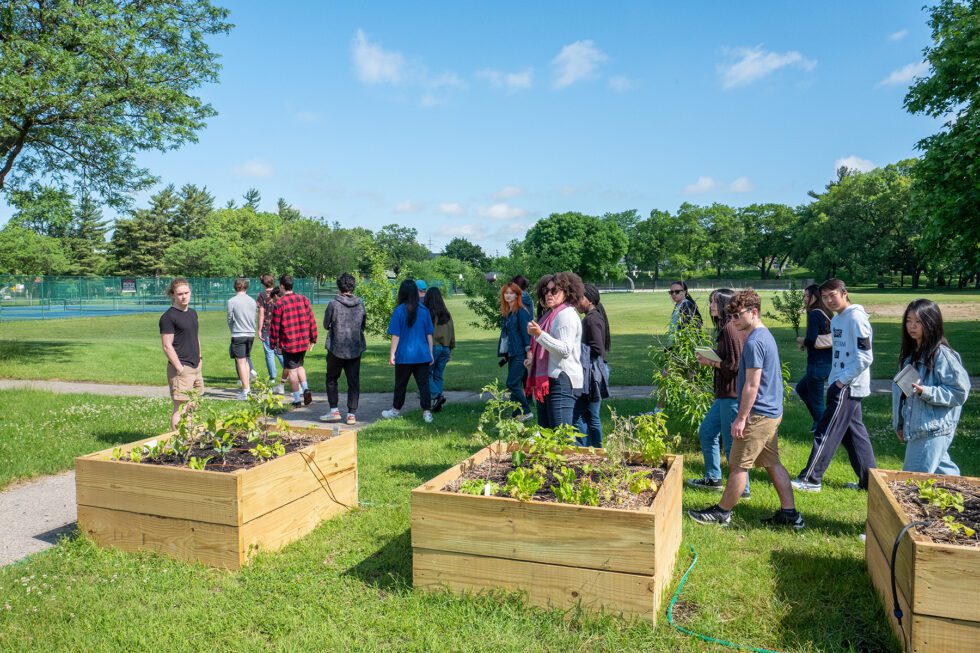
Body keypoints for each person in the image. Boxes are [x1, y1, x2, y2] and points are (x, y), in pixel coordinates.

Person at [688, 289, 804, 529]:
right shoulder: (763, 336)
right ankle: (790, 515)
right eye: (731, 316)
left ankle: (722, 512)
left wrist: (741, 418)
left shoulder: (754, 343)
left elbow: (752, 385)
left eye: (737, 315)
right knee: (772, 463)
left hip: (758, 414)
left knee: (738, 465)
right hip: (771, 412)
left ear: (754, 312)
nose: (733, 320)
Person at [793, 278, 877, 492]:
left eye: (833, 295)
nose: (829, 300)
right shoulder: (838, 319)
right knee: (854, 436)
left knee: (826, 430)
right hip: (839, 382)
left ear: (844, 293)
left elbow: (865, 357)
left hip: (847, 385)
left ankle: (811, 479)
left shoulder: (856, 317)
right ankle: (870, 483)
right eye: (825, 297)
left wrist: (841, 381)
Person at [892, 299, 970, 475]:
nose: (911, 326)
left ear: (931, 322)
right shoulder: (911, 355)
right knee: (946, 476)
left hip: (931, 431)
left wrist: (926, 392)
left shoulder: (942, 355)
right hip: (920, 429)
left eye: (918, 321)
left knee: (911, 481)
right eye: (908, 320)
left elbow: (959, 392)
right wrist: (901, 423)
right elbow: (903, 395)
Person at [688, 289, 750, 497]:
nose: (711, 306)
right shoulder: (727, 328)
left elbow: (734, 365)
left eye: (714, 302)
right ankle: (713, 478)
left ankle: (743, 490)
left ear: (725, 304)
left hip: (732, 395)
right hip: (724, 395)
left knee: (732, 443)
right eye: (710, 302)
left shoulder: (730, 329)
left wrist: (710, 361)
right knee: (707, 431)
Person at [526, 272, 585, 428]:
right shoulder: (550, 315)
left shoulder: (565, 315)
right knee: (547, 434)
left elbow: (564, 350)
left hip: (562, 380)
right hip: (549, 380)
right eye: (546, 291)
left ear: (567, 292)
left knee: (560, 436)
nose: (549, 295)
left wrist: (540, 335)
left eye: (554, 291)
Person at [382, 279, 435, 423]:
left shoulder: (399, 311)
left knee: (400, 384)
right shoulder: (424, 311)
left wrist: (392, 354)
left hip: (404, 356)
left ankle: (395, 410)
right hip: (422, 355)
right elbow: (429, 334)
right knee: (424, 385)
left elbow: (396, 335)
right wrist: (430, 353)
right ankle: (427, 413)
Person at [319, 273, 366, 426]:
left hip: (336, 348)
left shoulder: (333, 304)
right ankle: (351, 414)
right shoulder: (360, 304)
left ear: (339, 287)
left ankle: (334, 410)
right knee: (354, 381)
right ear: (353, 287)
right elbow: (363, 325)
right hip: (355, 347)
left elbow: (326, 324)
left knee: (332, 379)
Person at [268, 274, 317, 408]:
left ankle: (296, 400)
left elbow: (274, 327)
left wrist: (272, 344)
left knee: (292, 370)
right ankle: (305, 389)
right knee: (299, 366)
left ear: (282, 286)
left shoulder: (279, 304)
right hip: (302, 341)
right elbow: (311, 320)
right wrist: (313, 338)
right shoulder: (304, 299)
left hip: (289, 343)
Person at [159, 278, 203, 429]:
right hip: (182, 368)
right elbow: (167, 346)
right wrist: (179, 367)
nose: (184, 296)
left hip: (196, 366)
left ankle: (189, 438)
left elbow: (195, 337)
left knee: (193, 404)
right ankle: (177, 441)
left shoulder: (192, 313)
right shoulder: (168, 317)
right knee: (180, 407)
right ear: (173, 295)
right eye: (180, 294)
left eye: (186, 293)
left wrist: (200, 358)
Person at [572, 283, 611, 447]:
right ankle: (594, 449)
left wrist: (575, 352)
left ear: (588, 299)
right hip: (595, 369)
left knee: (581, 413)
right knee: (589, 413)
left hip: (592, 371)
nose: (576, 303)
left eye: (579, 298)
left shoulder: (591, 319)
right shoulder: (593, 317)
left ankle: (589, 448)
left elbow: (597, 349)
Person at [795, 284, 833, 431]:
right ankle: (818, 422)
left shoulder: (814, 313)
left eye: (806, 296)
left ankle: (824, 429)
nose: (804, 299)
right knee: (801, 388)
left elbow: (811, 339)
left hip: (817, 365)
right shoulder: (827, 312)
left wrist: (802, 341)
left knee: (817, 402)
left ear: (814, 297)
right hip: (827, 362)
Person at [499, 282, 533, 420]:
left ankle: (526, 411)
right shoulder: (509, 312)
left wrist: (529, 353)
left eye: (511, 293)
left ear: (517, 295)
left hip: (520, 353)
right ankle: (516, 414)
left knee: (511, 383)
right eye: (506, 293)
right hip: (512, 353)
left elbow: (527, 335)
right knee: (515, 384)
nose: (508, 295)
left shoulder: (521, 311)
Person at [424, 287, 455, 413]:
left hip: (434, 347)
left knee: (426, 374)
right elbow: (452, 333)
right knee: (438, 375)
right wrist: (451, 349)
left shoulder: (428, 314)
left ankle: (438, 396)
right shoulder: (447, 314)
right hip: (446, 348)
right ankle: (438, 405)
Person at [226, 277, 257, 401]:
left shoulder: (232, 301)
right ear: (246, 287)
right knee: (246, 361)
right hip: (250, 334)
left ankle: (246, 391)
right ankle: (247, 388)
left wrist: (232, 329)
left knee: (241, 362)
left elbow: (229, 318)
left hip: (238, 334)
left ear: (235, 287)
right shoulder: (252, 301)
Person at [256, 273, 285, 394]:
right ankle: (290, 371)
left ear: (263, 283)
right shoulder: (280, 293)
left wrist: (259, 329)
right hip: (279, 326)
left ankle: (273, 378)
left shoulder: (262, 295)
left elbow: (261, 313)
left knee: (269, 352)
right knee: (280, 352)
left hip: (267, 327)